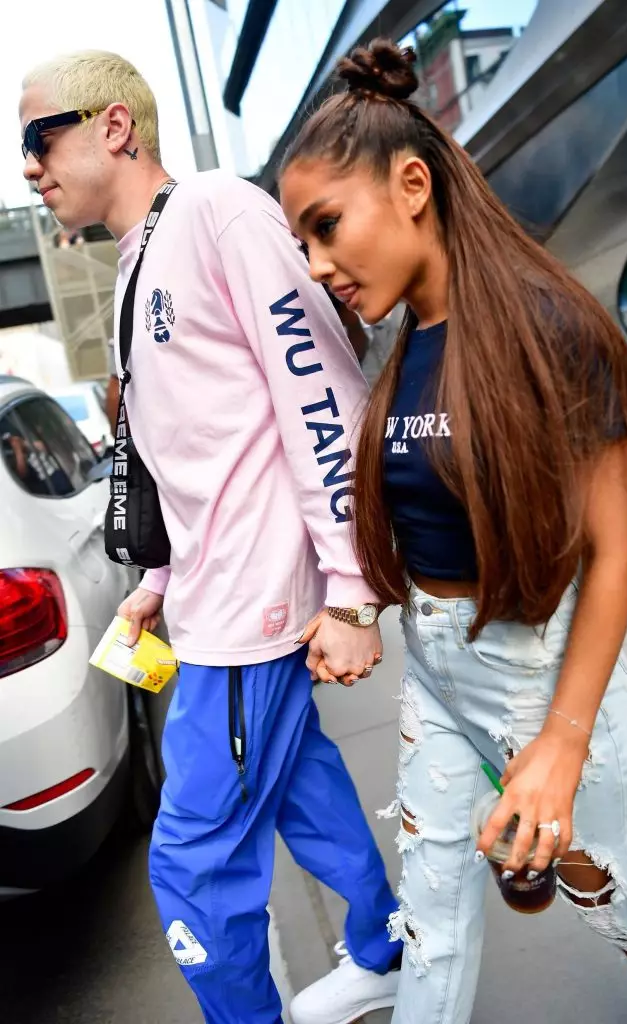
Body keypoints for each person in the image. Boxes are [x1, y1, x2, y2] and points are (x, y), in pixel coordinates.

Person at [280, 39, 627, 1024]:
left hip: (541, 675)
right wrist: (356, 605)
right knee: (433, 922)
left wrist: (559, 739)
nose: (315, 264)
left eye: (324, 227)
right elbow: (420, 508)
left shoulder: (555, 327)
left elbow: (610, 556)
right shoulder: (397, 342)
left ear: (410, 184)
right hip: (434, 672)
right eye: (300, 242)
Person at [19, 50, 403, 1024]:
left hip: (252, 602)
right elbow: (194, 455)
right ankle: (379, 945)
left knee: (190, 861)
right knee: (295, 781)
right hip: (210, 593)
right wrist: (156, 578)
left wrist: (351, 588)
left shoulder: (219, 214)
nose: (28, 166)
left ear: (114, 127)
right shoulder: (138, 258)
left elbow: (321, 398)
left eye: (39, 138)